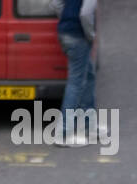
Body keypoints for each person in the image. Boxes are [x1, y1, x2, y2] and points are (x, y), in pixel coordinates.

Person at [50, 0, 97, 144]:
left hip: (64, 33)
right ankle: (63, 132)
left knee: (88, 76)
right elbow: (86, 13)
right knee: (76, 83)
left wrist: (67, 19)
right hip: (79, 36)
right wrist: (91, 35)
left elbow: (55, 4)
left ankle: (89, 126)